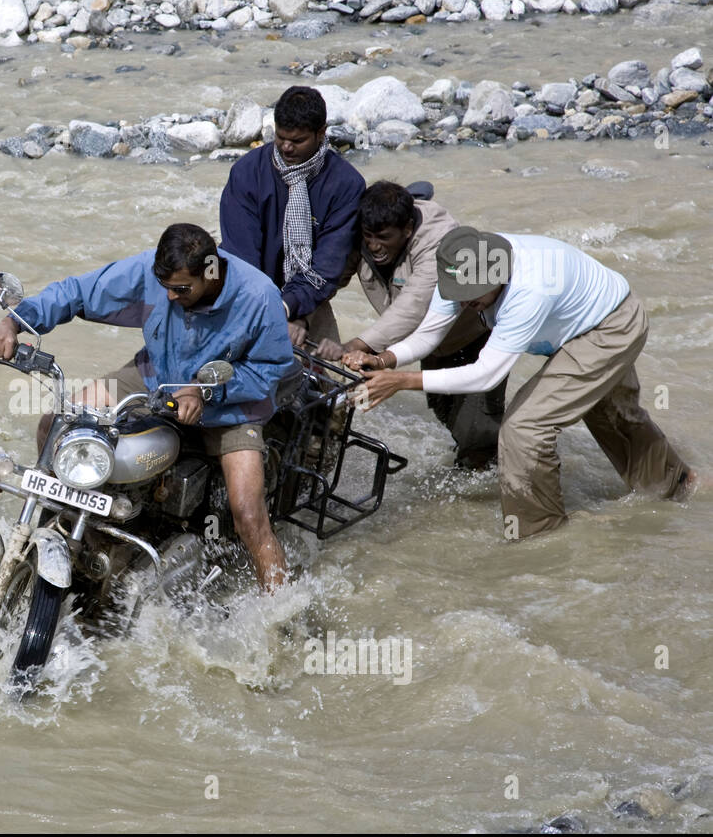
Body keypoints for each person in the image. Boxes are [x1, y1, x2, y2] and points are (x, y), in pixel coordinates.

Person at [0, 223, 296, 591]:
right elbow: (77, 291)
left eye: (182, 289)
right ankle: (69, 536)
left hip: (232, 409)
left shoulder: (258, 295)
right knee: (56, 425)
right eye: (166, 289)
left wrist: (206, 392)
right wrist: (12, 323)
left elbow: (272, 369)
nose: (172, 298)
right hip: (154, 379)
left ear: (212, 272)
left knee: (248, 514)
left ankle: (281, 611)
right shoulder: (153, 273)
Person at [344, 227, 695, 538]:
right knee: (613, 413)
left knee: (523, 429)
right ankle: (677, 487)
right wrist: (384, 359)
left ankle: (541, 535)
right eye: (460, 295)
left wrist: (402, 381)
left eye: (475, 296)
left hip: (609, 326)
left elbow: (486, 374)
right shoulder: (463, 265)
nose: (466, 303)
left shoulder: (530, 289)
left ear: (500, 275)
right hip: (578, 325)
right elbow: (429, 334)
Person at [315, 181, 505, 469]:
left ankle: (486, 487)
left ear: (407, 230)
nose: (374, 246)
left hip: (474, 339)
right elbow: (330, 276)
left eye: (383, 238)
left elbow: (414, 306)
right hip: (427, 344)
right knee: (448, 417)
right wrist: (298, 310)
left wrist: (359, 345)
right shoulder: (364, 231)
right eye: (368, 237)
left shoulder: (440, 241)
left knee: (478, 432)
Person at [219, 85, 365, 350]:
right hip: (249, 298)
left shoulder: (346, 184)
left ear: (321, 133)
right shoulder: (247, 173)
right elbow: (241, 258)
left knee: (327, 380)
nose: (286, 147)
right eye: (280, 137)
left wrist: (297, 313)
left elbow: (329, 264)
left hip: (310, 299)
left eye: (297, 141)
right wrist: (273, 312)